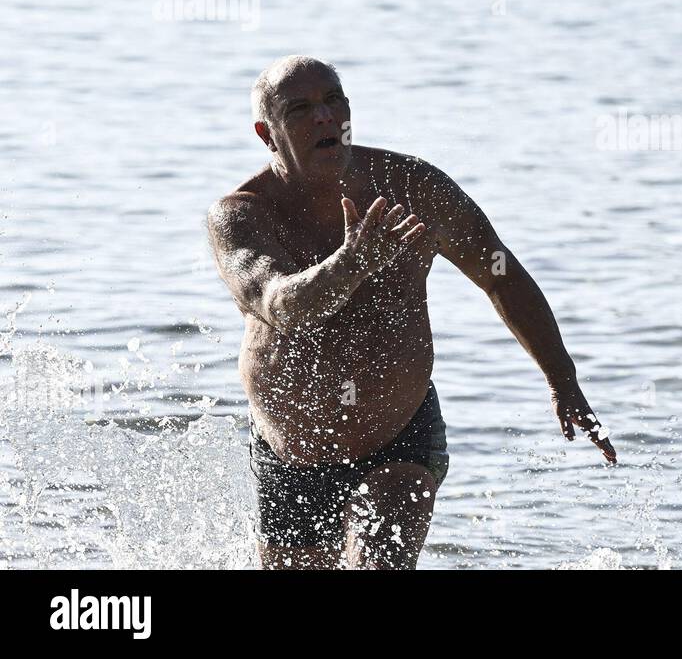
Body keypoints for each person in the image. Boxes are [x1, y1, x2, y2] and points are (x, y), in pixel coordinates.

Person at [206, 55, 615, 569]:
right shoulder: (241, 216)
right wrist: (349, 266)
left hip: (399, 435)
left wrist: (563, 378)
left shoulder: (412, 186)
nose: (325, 117)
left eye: (333, 101)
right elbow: (279, 305)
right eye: (300, 109)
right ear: (267, 134)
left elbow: (500, 274)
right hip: (291, 449)